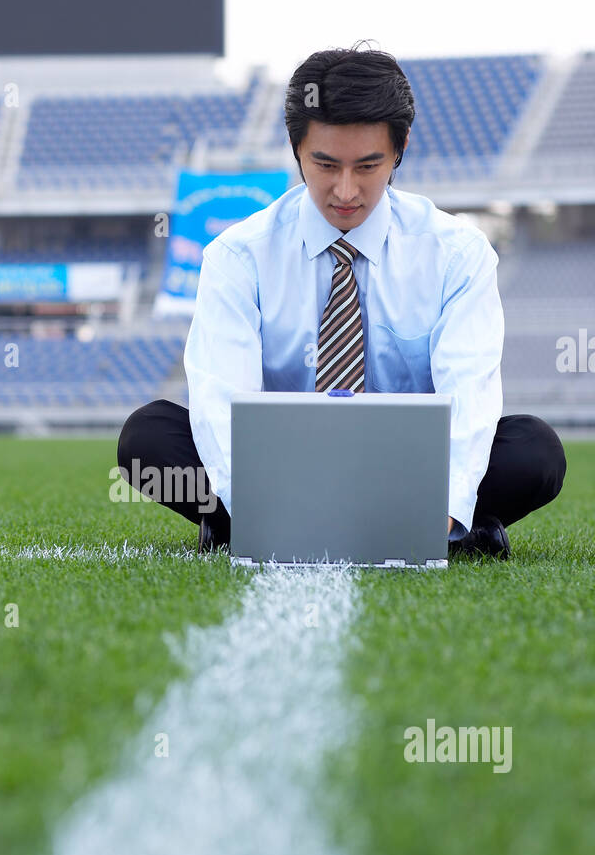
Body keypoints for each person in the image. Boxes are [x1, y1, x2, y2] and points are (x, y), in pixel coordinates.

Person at [118, 46, 566, 558]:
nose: (345, 190)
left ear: (399, 151)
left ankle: (455, 522)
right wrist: (253, 504)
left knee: (534, 451)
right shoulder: (237, 256)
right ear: (296, 149)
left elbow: (470, 392)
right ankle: (235, 522)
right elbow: (221, 398)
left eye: (368, 165)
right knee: (148, 437)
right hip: (280, 469)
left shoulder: (457, 254)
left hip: (407, 470)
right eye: (325, 164)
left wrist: (442, 504)